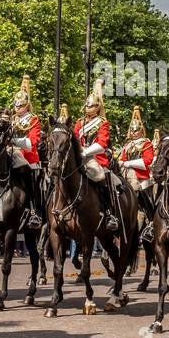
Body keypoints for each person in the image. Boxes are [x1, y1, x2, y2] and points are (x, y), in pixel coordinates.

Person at [73, 79, 120, 232]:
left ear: (98, 106)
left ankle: (109, 212)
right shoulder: (79, 123)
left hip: (95, 159)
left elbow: (102, 143)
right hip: (79, 158)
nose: (88, 107)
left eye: (92, 105)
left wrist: (85, 151)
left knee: (101, 177)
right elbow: (74, 139)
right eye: (87, 105)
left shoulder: (102, 123)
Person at [8, 75, 44, 230]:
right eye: (16, 105)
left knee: (32, 186)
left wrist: (13, 143)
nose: (18, 108)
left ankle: (34, 211)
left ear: (27, 105)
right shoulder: (10, 119)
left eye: (21, 105)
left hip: (28, 159)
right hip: (10, 156)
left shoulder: (33, 120)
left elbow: (31, 143)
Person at [117, 106, 155, 243]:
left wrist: (129, 163)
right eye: (131, 130)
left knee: (145, 203)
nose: (133, 132)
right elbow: (121, 158)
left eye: (136, 130)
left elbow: (147, 161)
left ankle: (151, 224)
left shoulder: (146, 144)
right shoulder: (127, 145)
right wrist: (121, 162)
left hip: (141, 178)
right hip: (125, 175)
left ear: (141, 130)